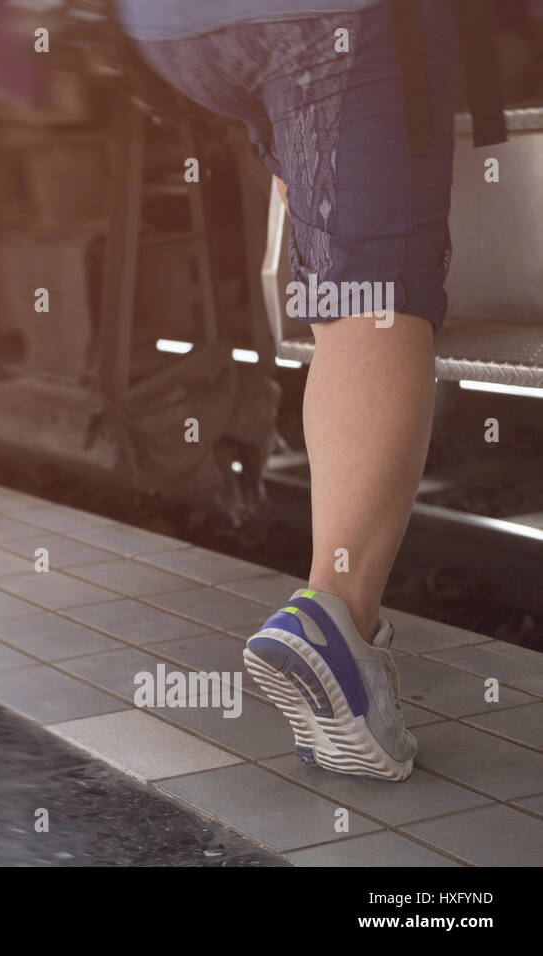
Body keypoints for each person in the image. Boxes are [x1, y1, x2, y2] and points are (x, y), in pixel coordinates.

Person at [113, 0, 467, 780]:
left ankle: (332, 662)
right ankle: (336, 621)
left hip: (176, 31)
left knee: (346, 289)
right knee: (377, 300)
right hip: (328, 16)